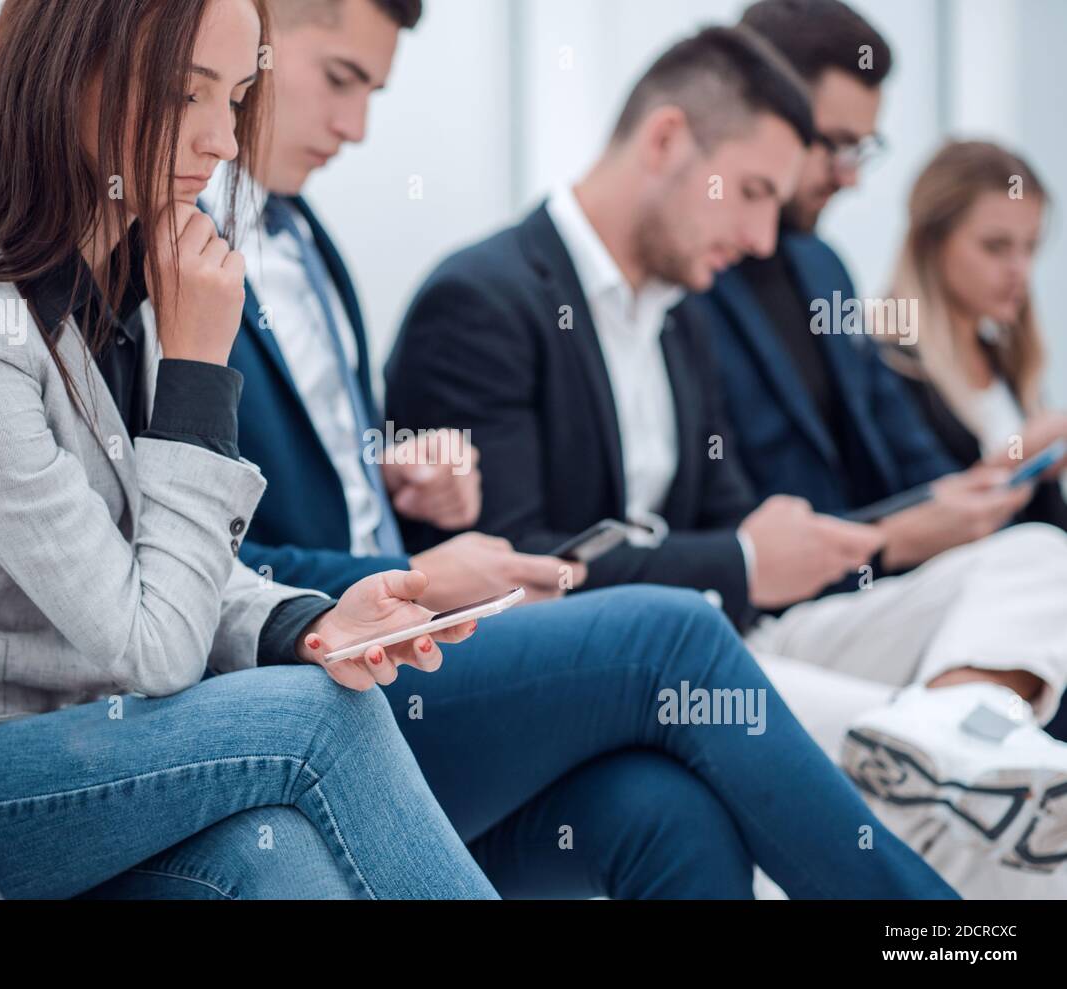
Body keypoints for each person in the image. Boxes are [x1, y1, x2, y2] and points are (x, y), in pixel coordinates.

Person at [207, 0, 960, 900]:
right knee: (671, 635)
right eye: (341, 79)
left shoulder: (307, 241)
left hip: (399, 638)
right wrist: (413, 570)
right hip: (313, 662)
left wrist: (404, 478)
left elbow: (315, 477)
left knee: (668, 814)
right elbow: (195, 546)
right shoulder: (183, 256)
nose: (357, 127)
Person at [384, 12, 1067, 894]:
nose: (761, 237)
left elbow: (726, 524)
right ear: (668, 140)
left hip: (743, 630)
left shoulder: (680, 320)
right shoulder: (485, 297)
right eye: (750, 192)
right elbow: (511, 570)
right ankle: (953, 787)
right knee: (1000, 800)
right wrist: (744, 556)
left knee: (1038, 561)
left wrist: (781, 540)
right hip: (640, 661)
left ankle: (959, 729)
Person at [0, 0, 498, 901]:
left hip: (83, 761)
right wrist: (195, 373)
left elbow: (148, 559)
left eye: (238, 96)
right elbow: (151, 646)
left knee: (275, 856)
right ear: (69, 70)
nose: (223, 140)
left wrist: (304, 622)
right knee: (320, 719)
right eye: (187, 94)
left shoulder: (126, 287)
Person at [878, 141, 1067, 532]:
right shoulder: (888, 369)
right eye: (995, 247)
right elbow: (915, 524)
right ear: (931, 243)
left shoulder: (1008, 363)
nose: (1020, 270)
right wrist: (1018, 459)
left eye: (1030, 247)